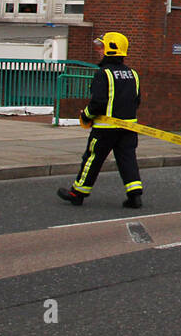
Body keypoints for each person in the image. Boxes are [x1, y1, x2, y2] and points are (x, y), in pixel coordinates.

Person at [58, 31, 144, 209]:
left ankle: (77, 193)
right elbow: (137, 101)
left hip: (105, 129)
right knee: (127, 159)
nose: (99, 51)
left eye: (102, 47)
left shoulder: (103, 74)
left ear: (111, 50)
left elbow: (98, 103)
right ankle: (135, 195)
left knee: (92, 158)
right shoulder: (133, 74)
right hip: (129, 127)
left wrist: (85, 115)